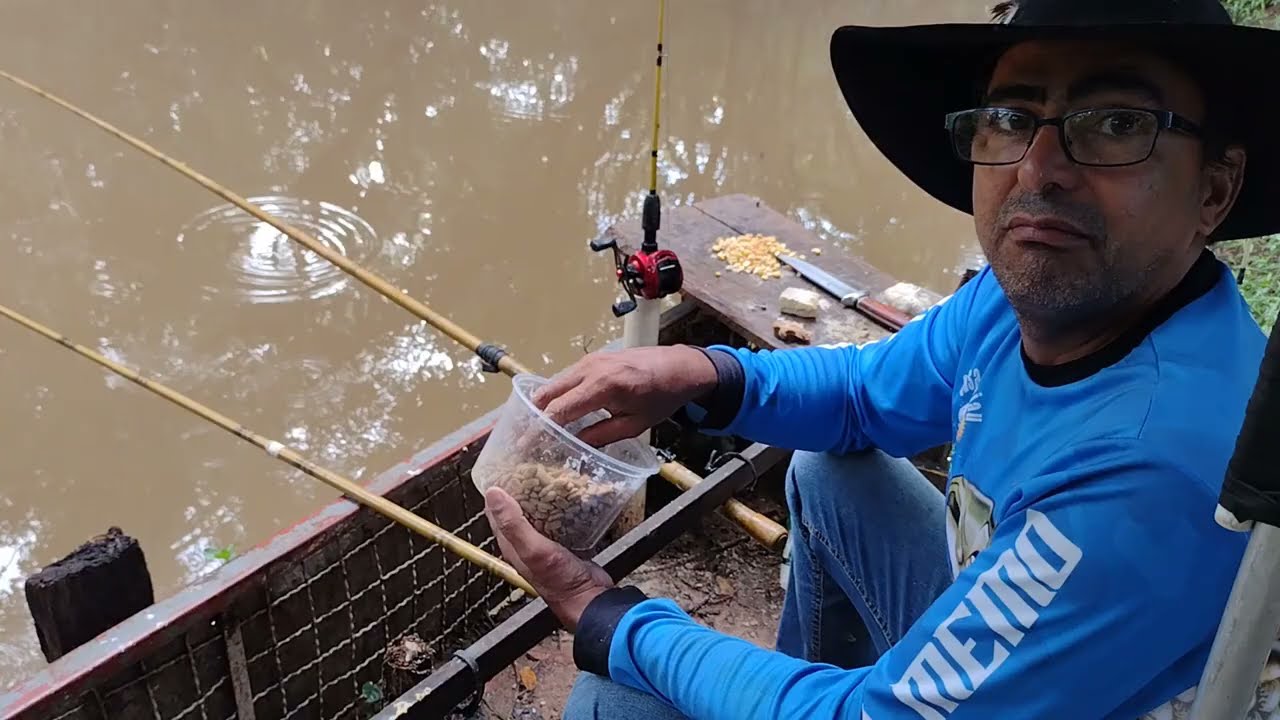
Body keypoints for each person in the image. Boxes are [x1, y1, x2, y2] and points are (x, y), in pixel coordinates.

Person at [482, 0, 1280, 717]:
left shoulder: (1152, 465)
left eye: (1116, 124)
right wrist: (709, 377)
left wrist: (606, 614)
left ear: (1215, 189)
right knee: (831, 472)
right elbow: (869, 394)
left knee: (610, 698)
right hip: (1026, 662)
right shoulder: (1038, 294)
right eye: (1010, 116)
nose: (1039, 171)